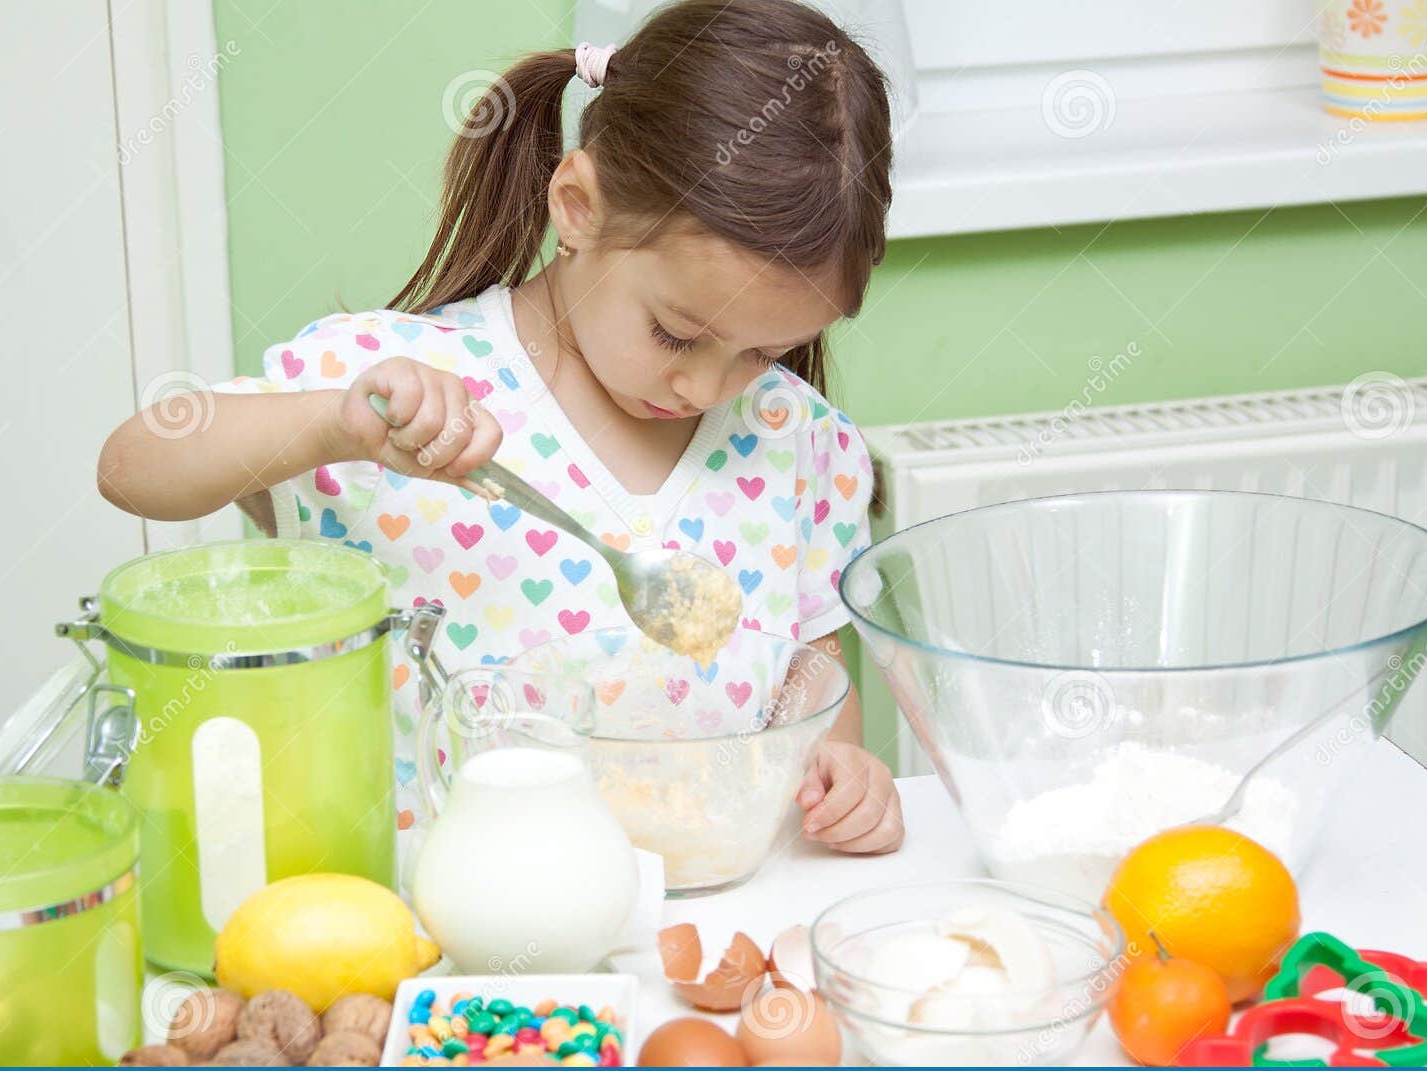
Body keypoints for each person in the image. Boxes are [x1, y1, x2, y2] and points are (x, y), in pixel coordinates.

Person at [99, 0, 903, 853]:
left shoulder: (797, 442)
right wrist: (332, 425)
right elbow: (131, 467)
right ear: (578, 207)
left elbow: (812, 686)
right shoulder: (388, 386)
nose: (706, 386)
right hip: (431, 925)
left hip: (701, 919)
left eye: (762, 352)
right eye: (676, 334)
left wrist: (842, 777)